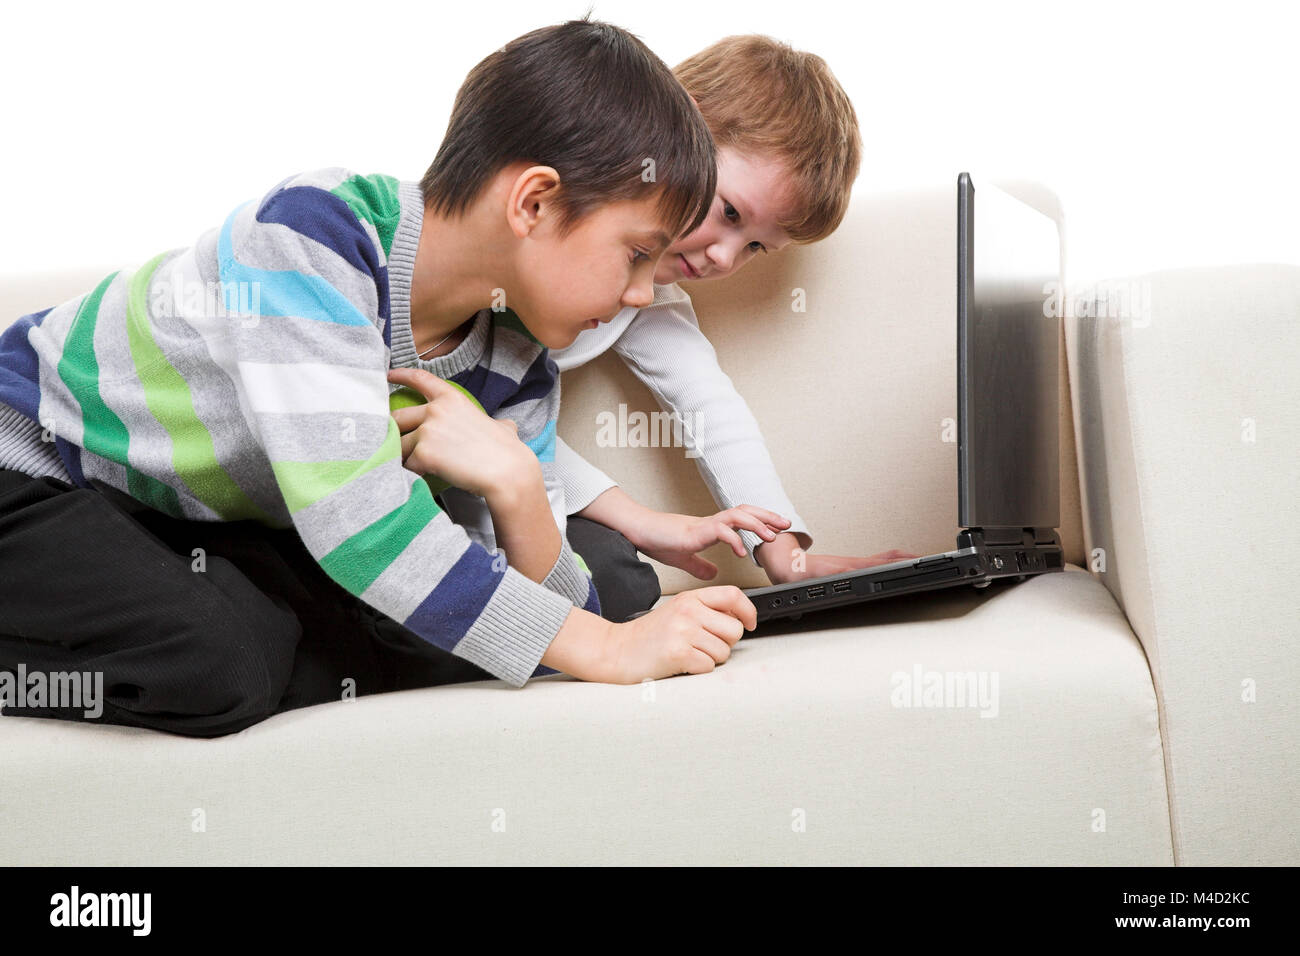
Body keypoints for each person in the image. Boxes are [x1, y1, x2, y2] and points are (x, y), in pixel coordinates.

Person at [0, 17, 758, 739]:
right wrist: (612, 651)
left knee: (586, 595)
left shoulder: (519, 357)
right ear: (534, 201)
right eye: (636, 254)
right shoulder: (309, 236)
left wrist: (520, 488)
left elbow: (571, 620)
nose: (641, 293)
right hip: (38, 469)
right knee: (223, 656)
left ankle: (278, 647)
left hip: (186, 520)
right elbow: (362, 524)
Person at [537, 36, 921, 620]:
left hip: (503, 482)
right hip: (418, 458)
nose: (724, 258)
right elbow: (497, 414)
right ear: (671, 135)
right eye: (731, 214)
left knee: (615, 580)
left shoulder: (653, 298)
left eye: (756, 246)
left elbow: (711, 407)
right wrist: (633, 516)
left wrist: (786, 557)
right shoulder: (539, 227)